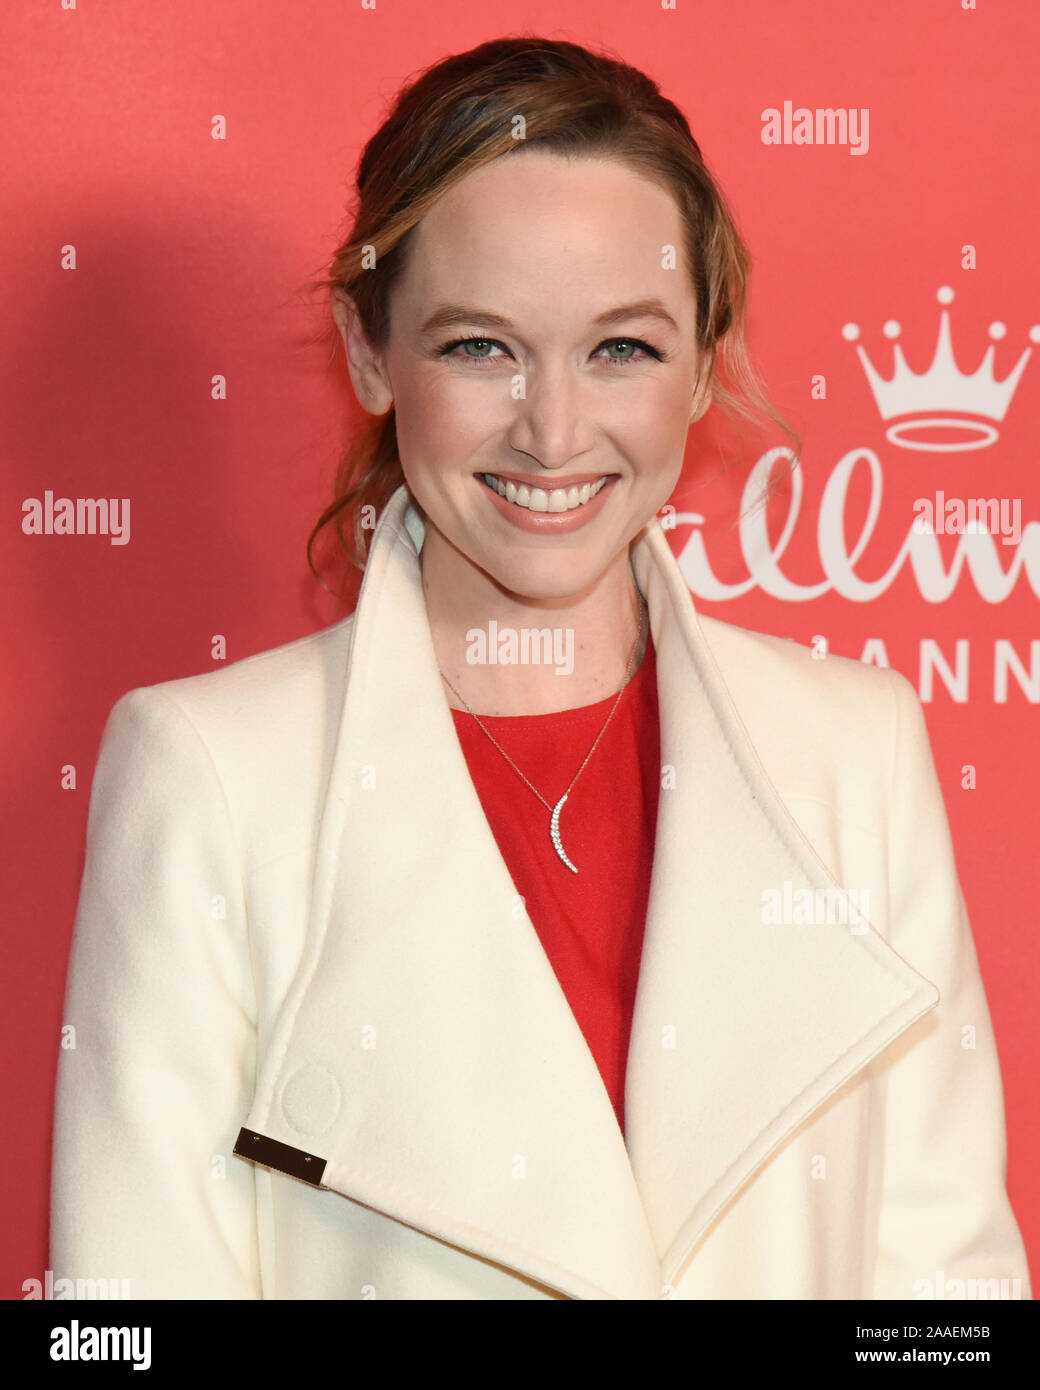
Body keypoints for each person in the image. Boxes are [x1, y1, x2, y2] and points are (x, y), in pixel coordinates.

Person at [50, 35, 1031, 1301]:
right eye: (479, 347)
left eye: (620, 347)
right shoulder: (211, 775)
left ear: (700, 356)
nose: (554, 430)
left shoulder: (855, 751)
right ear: (368, 350)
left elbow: (943, 1300)